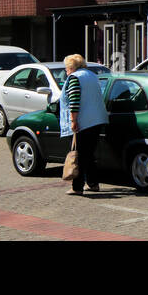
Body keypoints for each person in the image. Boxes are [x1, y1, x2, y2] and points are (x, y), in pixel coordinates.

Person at [60, 53, 108, 196]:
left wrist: (74, 121)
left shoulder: (75, 78)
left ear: (71, 67)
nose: (66, 71)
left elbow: (74, 100)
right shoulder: (91, 76)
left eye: (66, 68)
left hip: (83, 121)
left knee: (78, 155)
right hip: (97, 119)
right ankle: (93, 183)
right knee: (88, 154)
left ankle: (77, 187)